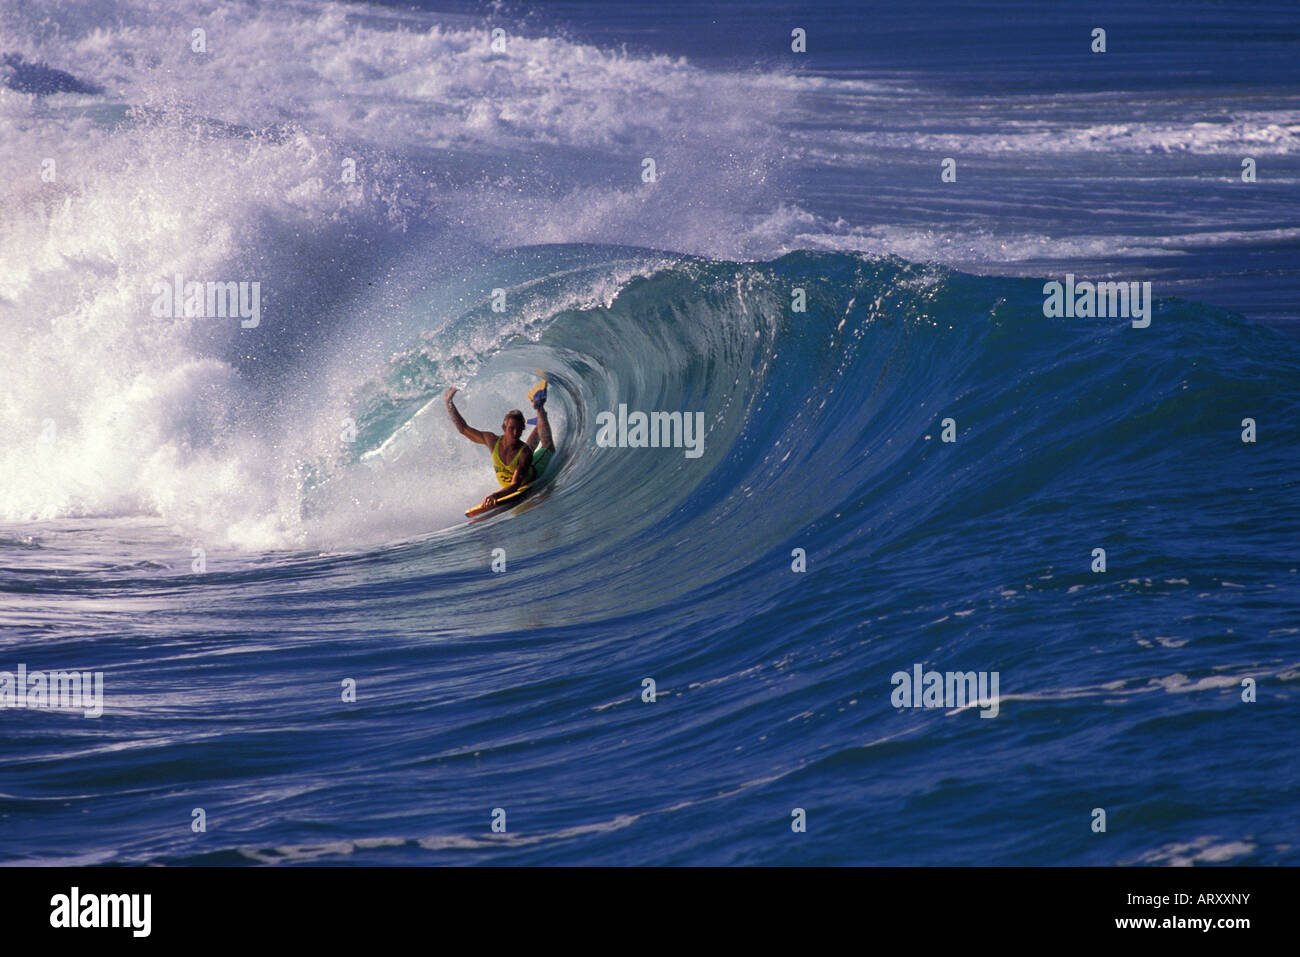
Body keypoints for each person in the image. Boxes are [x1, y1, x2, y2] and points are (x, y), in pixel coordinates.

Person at [444, 382, 554, 511]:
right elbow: (463, 429)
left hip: (534, 472)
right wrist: (448, 402)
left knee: (548, 446)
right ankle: (539, 422)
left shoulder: (525, 454)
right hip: (521, 456)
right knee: (524, 448)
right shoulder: (492, 441)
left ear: (523, 429)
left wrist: (495, 495)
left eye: (519, 429)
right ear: (503, 428)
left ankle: (540, 410)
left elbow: (515, 485)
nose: (515, 432)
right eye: (511, 428)